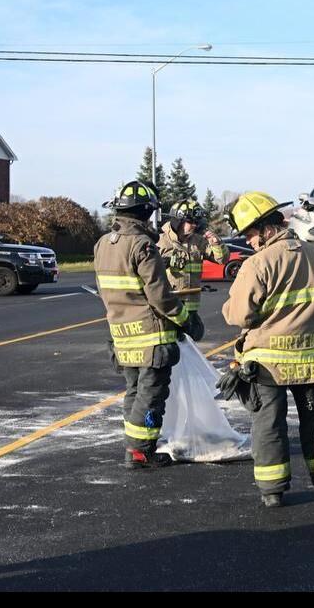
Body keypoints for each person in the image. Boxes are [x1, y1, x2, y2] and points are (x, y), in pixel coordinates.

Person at [221, 191, 314, 508]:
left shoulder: (257, 264)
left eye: (251, 233)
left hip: (266, 365)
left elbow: (239, 315)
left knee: (268, 425)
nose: (250, 241)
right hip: (311, 360)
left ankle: (272, 492)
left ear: (268, 227)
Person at [94, 181, 205, 469]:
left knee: (134, 391)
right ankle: (142, 453)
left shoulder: (103, 244)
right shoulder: (142, 245)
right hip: (149, 336)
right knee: (152, 394)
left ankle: (133, 448)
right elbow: (160, 295)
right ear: (145, 213)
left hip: (121, 334)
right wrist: (185, 320)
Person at [157, 199, 227, 321]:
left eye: (196, 222)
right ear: (178, 220)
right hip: (168, 307)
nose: (195, 225)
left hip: (191, 307)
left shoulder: (198, 241)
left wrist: (217, 244)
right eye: (191, 221)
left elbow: (222, 259)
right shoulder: (160, 240)